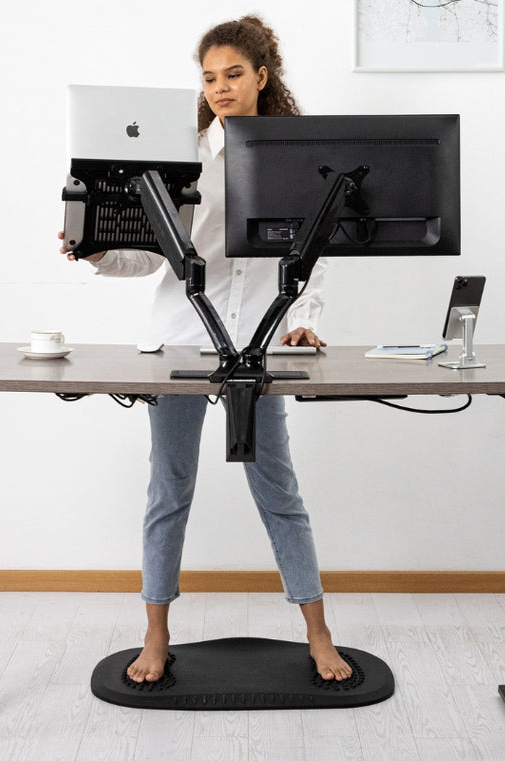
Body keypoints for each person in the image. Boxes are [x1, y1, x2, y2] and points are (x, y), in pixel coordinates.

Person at [59, 15, 352, 684]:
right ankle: (155, 634)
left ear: (260, 78)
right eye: (208, 77)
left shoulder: (297, 158)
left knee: (278, 489)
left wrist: (302, 319)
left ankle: (318, 631)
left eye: (232, 75)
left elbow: (311, 257)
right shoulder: (181, 152)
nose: (218, 87)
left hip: (258, 343)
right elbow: (150, 259)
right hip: (183, 341)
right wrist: (100, 250)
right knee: (169, 488)